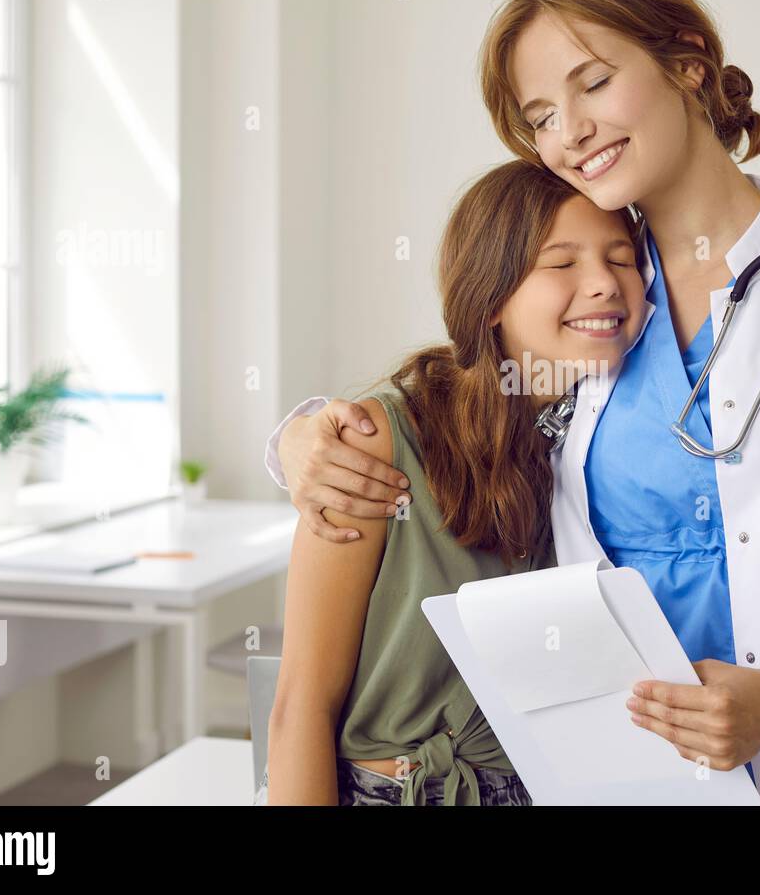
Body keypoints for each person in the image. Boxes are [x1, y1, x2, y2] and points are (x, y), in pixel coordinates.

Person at [265, 0, 760, 805]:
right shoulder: (595, 307)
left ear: (688, 62)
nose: (572, 131)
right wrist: (300, 436)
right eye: (542, 115)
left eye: (593, 83)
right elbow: (459, 395)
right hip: (629, 780)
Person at [261, 159, 645, 805]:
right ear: (490, 297)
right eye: (562, 263)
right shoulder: (377, 440)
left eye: (623, 258)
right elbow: (301, 701)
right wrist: (292, 438)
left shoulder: (625, 441)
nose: (604, 283)